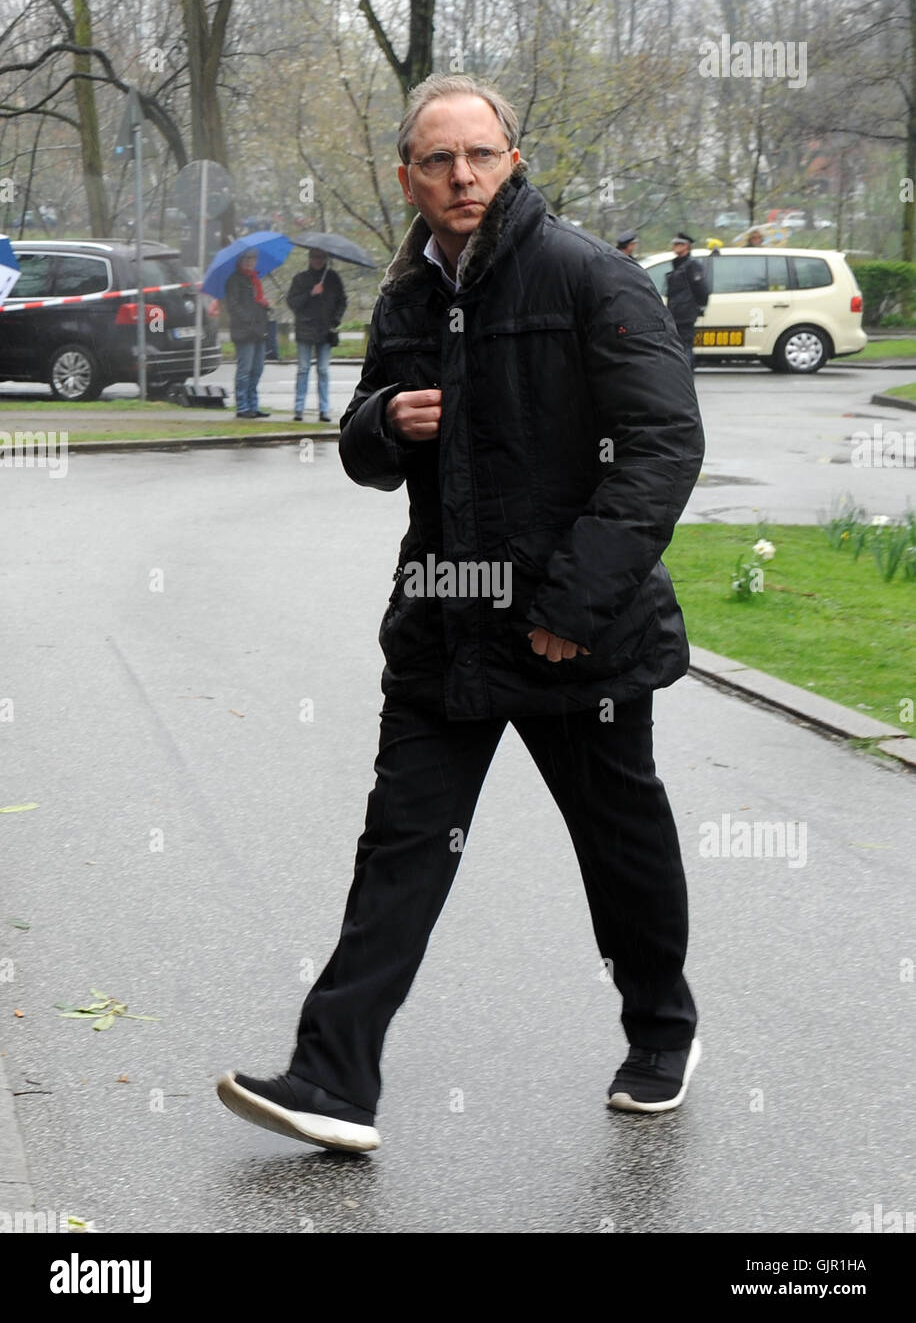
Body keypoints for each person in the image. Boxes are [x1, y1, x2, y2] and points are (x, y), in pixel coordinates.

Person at [217, 74, 705, 1154]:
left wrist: (574, 605)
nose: (461, 176)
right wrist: (386, 419)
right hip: (445, 622)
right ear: (408, 177)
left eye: (479, 155)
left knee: (617, 845)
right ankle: (332, 1081)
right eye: (437, 161)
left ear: (512, 159)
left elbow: (663, 448)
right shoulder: (403, 298)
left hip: (577, 634)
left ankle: (662, 1031)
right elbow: (360, 448)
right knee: (400, 844)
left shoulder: (589, 275)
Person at [286, 249, 347, 422]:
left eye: (321, 258)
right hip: (305, 330)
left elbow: (342, 301)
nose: (318, 261)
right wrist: (311, 293)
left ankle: (324, 409)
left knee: (323, 370)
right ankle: (299, 409)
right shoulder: (300, 278)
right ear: (309, 259)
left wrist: (335, 321)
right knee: (303, 370)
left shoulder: (333, 278)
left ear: (326, 259)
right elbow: (292, 302)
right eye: (315, 257)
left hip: (326, 330)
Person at [223, 249, 272, 417]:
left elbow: (257, 303)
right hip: (243, 331)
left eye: (253, 259)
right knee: (245, 369)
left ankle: (253, 405)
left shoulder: (255, 280)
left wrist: (265, 305)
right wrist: (248, 317)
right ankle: (242, 406)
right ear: (240, 261)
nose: (250, 262)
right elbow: (233, 305)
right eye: (247, 259)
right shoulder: (234, 280)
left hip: (259, 330)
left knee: (257, 369)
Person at [665, 232, 709, 368]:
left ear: (686, 246)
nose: (675, 246)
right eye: (674, 243)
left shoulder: (692, 265)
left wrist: (700, 307)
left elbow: (701, 289)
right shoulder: (678, 264)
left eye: (679, 244)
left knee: (685, 346)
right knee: (678, 346)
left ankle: (687, 374)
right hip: (676, 312)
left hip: (686, 313)